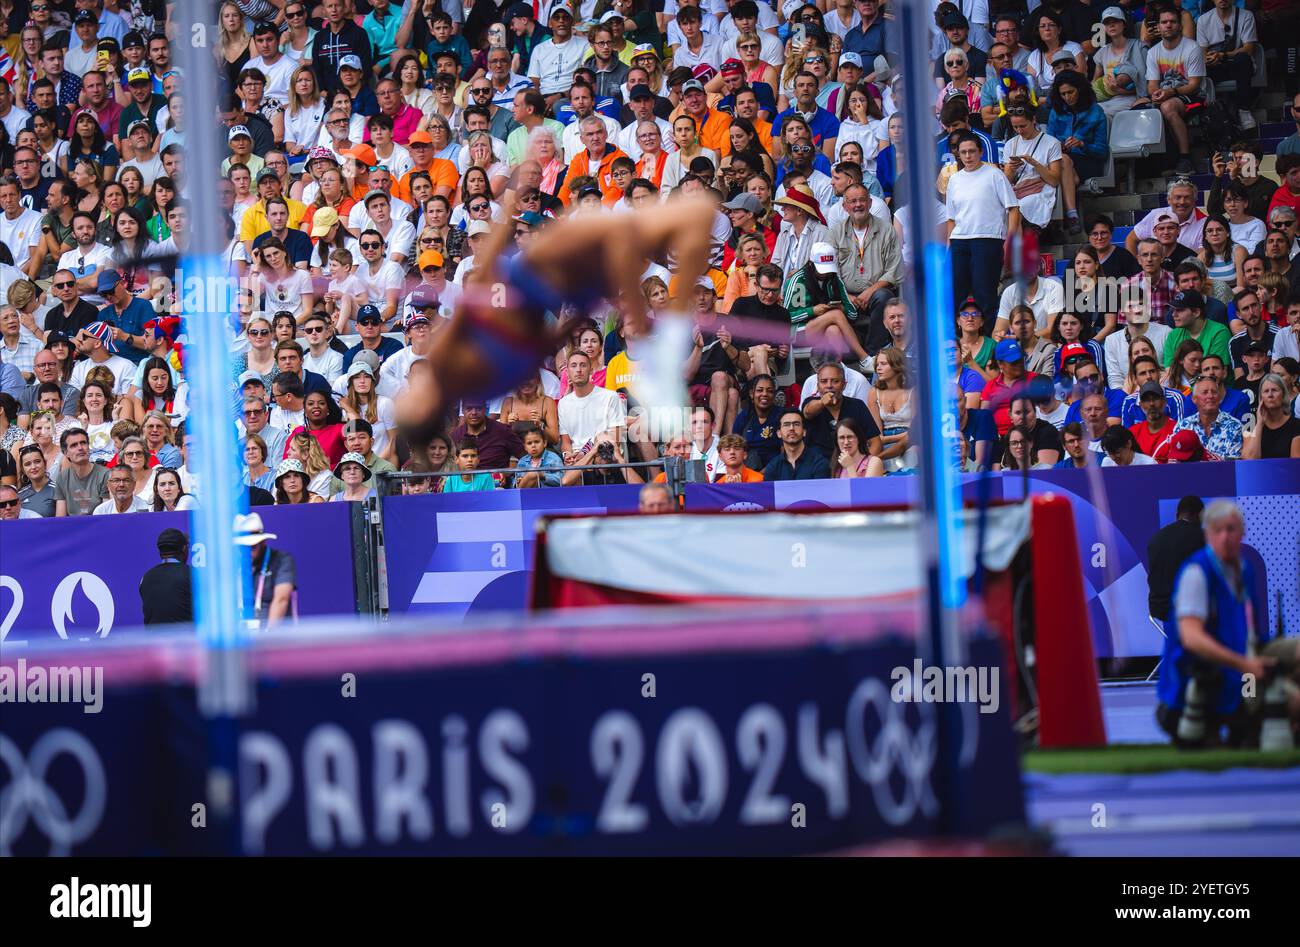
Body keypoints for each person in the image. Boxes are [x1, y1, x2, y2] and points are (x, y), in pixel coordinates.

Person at [1158, 501, 1299, 748]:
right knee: (1293, 701)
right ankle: (1252, 717)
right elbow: (1191, 638)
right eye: (1218, 530)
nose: (1225, 537)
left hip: (1241, 657)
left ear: (1242, 532)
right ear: (1207, 534)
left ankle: (1267, 717)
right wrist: (1247, 665)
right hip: (1203, 674)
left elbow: (1250, 634)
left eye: (1231, 529)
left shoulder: (1243, 569)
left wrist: (1260, 658)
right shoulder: (1196, 573)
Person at [946, 132, 1021, 317]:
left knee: (985, 295)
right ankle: (958, 340)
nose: (967, 156)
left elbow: (1013, 208)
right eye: (963, 152)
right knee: (956, 295)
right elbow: (951, 218)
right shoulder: (954, 179)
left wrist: (1009, 241)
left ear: (980, 152)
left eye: (972, 151)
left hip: (988, 239)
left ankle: (987, 339)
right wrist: (949, 247)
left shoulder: (995, 174)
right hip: (959, 241)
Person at [235, 511, 298, 629]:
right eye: (242, 547)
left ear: (263, 542)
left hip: (275, 637)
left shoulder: (282, 560)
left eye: (253, 547)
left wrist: (269, 636)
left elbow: (281, 599)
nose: (247, 552)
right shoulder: (232, 564)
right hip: (241, 638)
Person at [139, 528, 194, 625]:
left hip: (153, 639)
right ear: (184, 549)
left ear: (160, 552)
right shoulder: (193, 575)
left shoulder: (146, 578)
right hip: (186, 639)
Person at [761, 408, 831, 481]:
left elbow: (820, 492)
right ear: (779, 433)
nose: (791, 428)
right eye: (786, 425)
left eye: (796, 424)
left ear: (804, 432)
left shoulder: (819, 463)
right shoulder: (773, 467)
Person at [53, 427, 109, 516]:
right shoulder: (62, 478)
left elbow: (107, 514)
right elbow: (60, 519)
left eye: (83, 443)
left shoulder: (105, 475)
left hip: (98, 526)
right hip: (73, 528)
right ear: (65, 452)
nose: (80, 448)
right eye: (74, 445)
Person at [1243, 373, 1300, 459]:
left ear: (1283, 395)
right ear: (1261, 398)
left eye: (1275, 390)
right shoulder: (1250, 424)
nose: (1270, 395)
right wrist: (1259, 425)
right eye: (1266, 391)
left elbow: (1295, 464)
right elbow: (1249, 460)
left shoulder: (1296, 425)